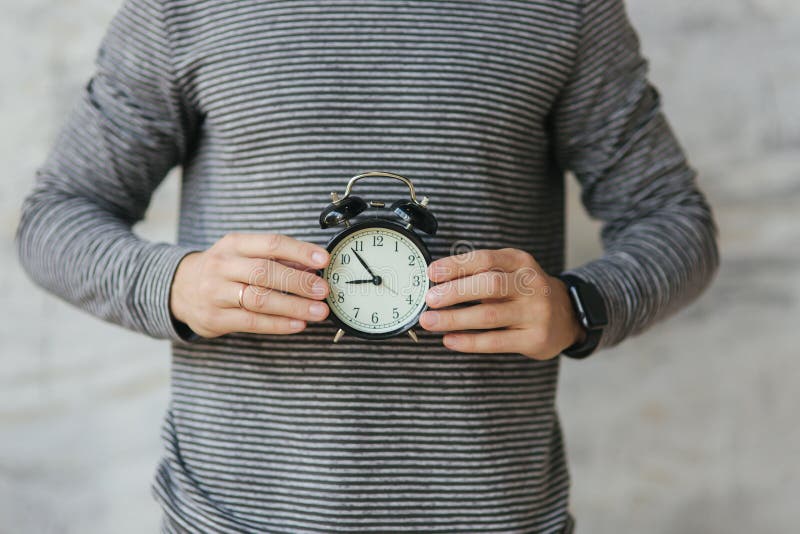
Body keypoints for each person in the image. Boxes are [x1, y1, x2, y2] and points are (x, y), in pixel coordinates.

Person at [16, 0, 719, 532]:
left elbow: (675, 222)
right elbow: (57, 215)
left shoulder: (565, 11)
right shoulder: (184, 7)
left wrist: (580, 307)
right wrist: (174, 284)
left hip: (492, 514)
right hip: (234, 516)